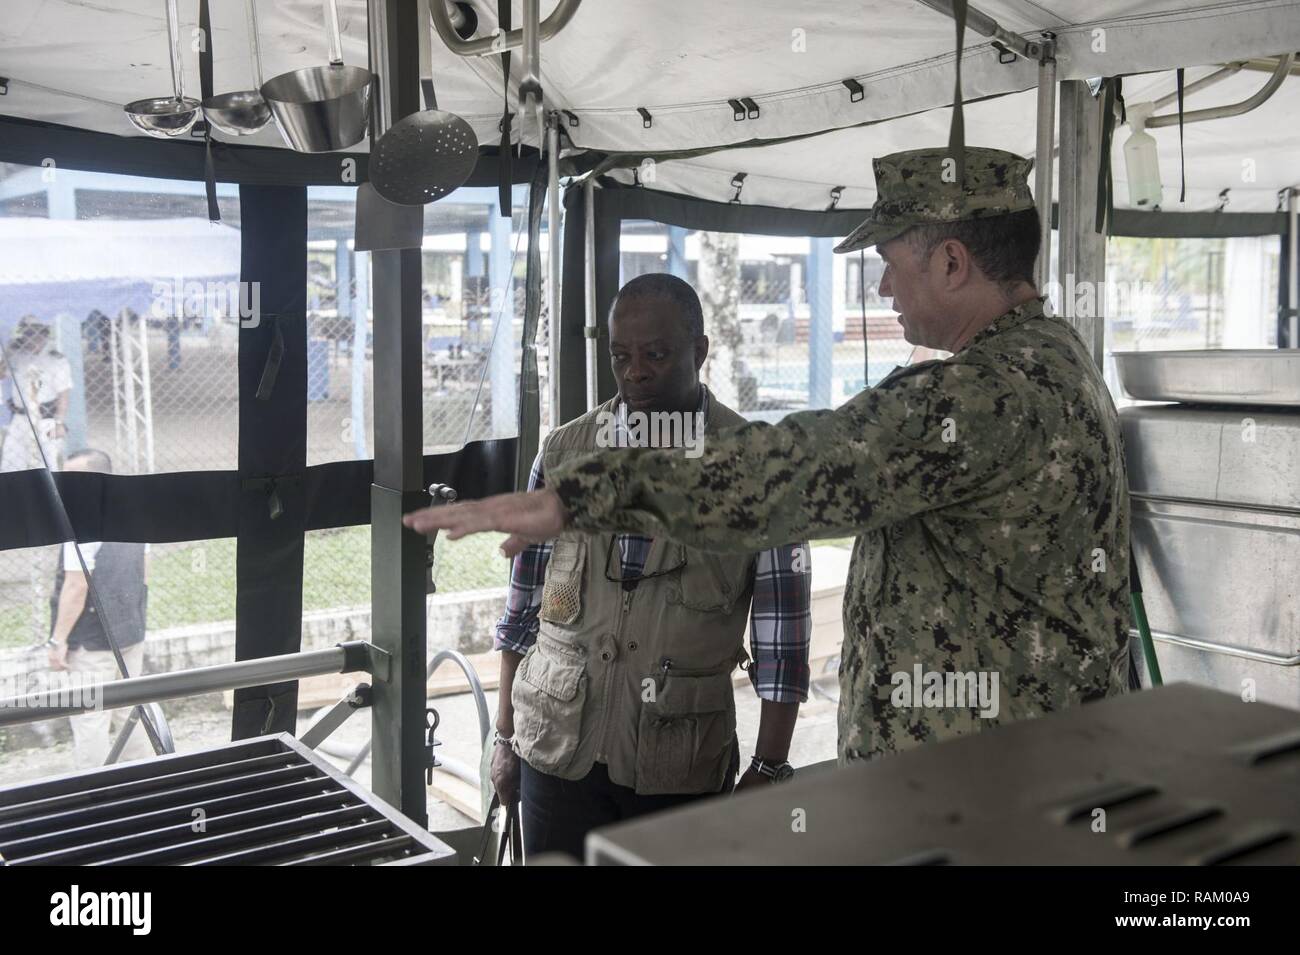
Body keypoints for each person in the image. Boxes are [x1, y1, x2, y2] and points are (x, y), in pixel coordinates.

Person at [405, 147, 1132, 767]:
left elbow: (793, 467)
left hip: (983, 786)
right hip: (1020, 761)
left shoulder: (983, 394)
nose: (882, 287)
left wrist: (588, 491)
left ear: (950, 261)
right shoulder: (1056, 358)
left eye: (888, 263)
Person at [488, 273, 811, 860]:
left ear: (701, 352)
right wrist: (504, 736)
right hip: (556, 754)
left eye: (656, 355)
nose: (635, 372)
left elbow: (782, 646)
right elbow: (521, 610)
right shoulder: (564, 453)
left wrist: (769, 764)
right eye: (620, 355)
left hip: (679, 765)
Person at [47, 448, 152, 769]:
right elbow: (144, 572)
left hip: (91, 642)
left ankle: (91, 792)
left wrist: (58, 640)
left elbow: (76, 587)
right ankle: (143, 780)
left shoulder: (81, 524)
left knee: (89, 717)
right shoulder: (134, 513)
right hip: (131, 632)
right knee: (130, 710)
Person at [1, 315, 73, 472]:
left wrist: (59, 423)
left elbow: (63, 395)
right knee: (10, 464)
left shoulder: (56, 360)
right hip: (20, 417)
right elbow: (1, 374)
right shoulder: (17, 355)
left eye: (36, 333)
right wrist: (6, 353)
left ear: (44, 334)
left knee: (46, 465)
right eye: (27, 334)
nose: (32, 338)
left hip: (45, 418)